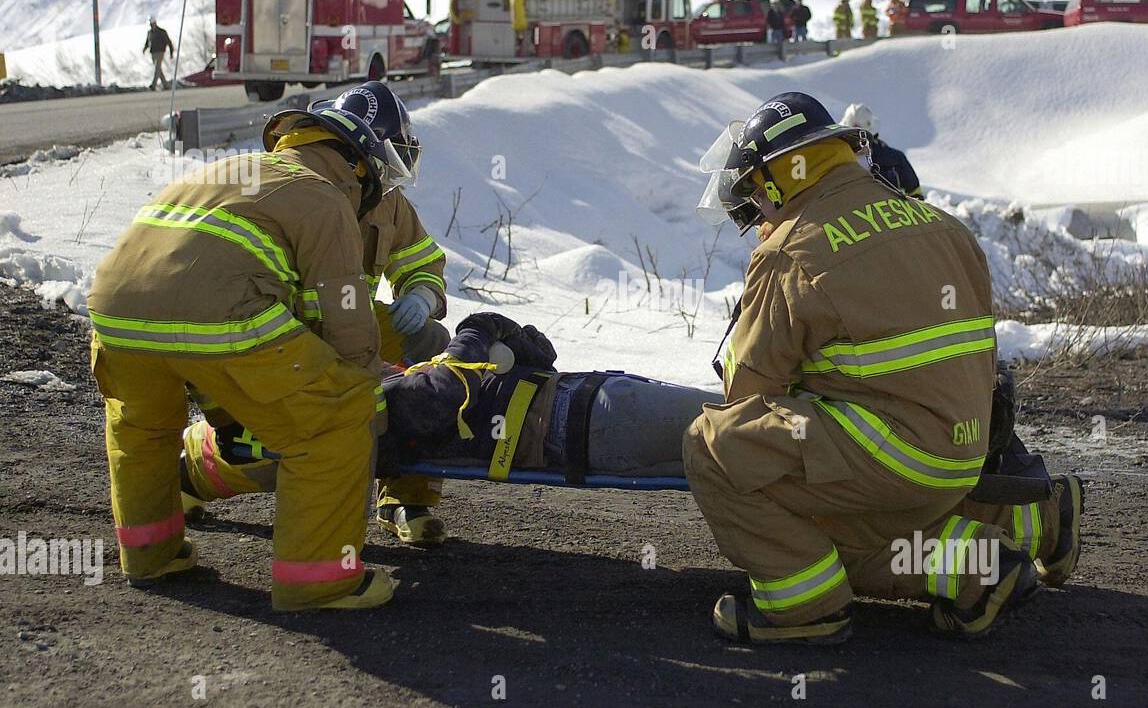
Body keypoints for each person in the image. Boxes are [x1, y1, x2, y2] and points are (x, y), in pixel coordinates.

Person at [687, 92, 1083, 644]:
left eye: (755, 202)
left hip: (898, 458)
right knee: (848, 526)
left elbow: (748, 394)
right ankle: (1006, 546)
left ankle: (803, 609)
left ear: (776, 181)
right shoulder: (942, 226)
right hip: (967, 453)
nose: (759, 221)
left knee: (713, 445)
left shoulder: (792, 250)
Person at [87, 81, 420, 610]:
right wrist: (364, 385)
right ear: (362, 162)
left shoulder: (229, 170)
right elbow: (344, 313)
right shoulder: (326, 199)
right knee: (335, 418)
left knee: (143, 428)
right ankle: (319, 581)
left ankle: (151, 557)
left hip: (115, 310)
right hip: (219, 316)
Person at [180, 82, 453, 547]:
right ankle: (190, 471)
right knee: (310, 430)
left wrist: (421, 297)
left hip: (349, 326)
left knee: (427, 357)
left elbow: (422, 260)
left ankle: (406, 496)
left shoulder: (387, 202)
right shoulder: (294, 185)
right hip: (281, 333)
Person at [179, 313, 723, 532]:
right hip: (587, 422)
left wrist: (509, 340)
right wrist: (479, 329)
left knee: (742, 433)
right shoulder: (365, 411)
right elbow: (440, 396)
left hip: (589, 404)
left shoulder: (371, 394)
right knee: (743, 429)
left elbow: (539, 357)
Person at [143, 18, 174, 91]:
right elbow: (147, 42)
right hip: (153, 53)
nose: (151, 26)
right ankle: (166, 85)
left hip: (160, 52)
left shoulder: (162, 32)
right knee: (158, 69)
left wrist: (171, 53)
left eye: (152, 24)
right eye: (150, 24)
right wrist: (144, 49)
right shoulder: (149, 32)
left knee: (157, 67)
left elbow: (169, 42)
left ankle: (153, 85)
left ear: (155, 23)